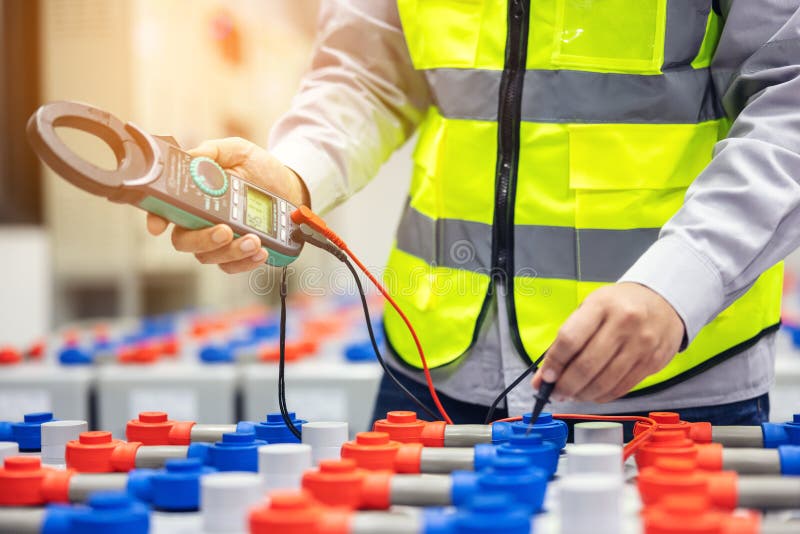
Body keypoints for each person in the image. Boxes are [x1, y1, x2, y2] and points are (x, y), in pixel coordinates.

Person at [147, 1, 800, 427]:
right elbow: (367, 69)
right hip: (431, 366)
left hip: (664, 380)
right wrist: (297, 174)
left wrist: (680, 282)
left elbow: (789, 96)